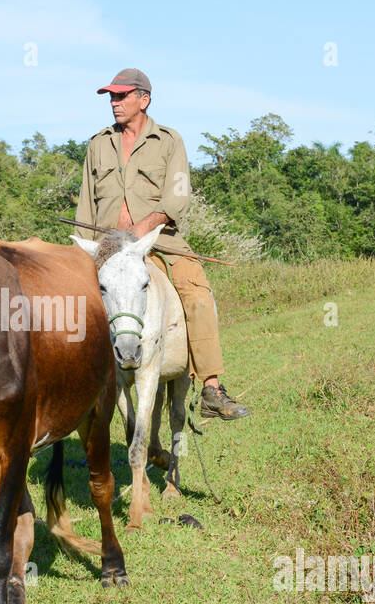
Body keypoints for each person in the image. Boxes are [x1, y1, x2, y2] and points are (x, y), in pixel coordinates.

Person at [75, 68, 248, 420]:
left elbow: (178, 196)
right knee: (71, 305)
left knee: (196, 293)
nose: (114, 102)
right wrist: (85, 255)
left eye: (122, 96)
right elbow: (85, 206)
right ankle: (77, 397)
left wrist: (147, 225)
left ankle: (212, 388)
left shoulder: (169, 141)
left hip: (160, 241)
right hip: (108, 249)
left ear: (144, 99)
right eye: (112, 96)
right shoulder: (98, 143)